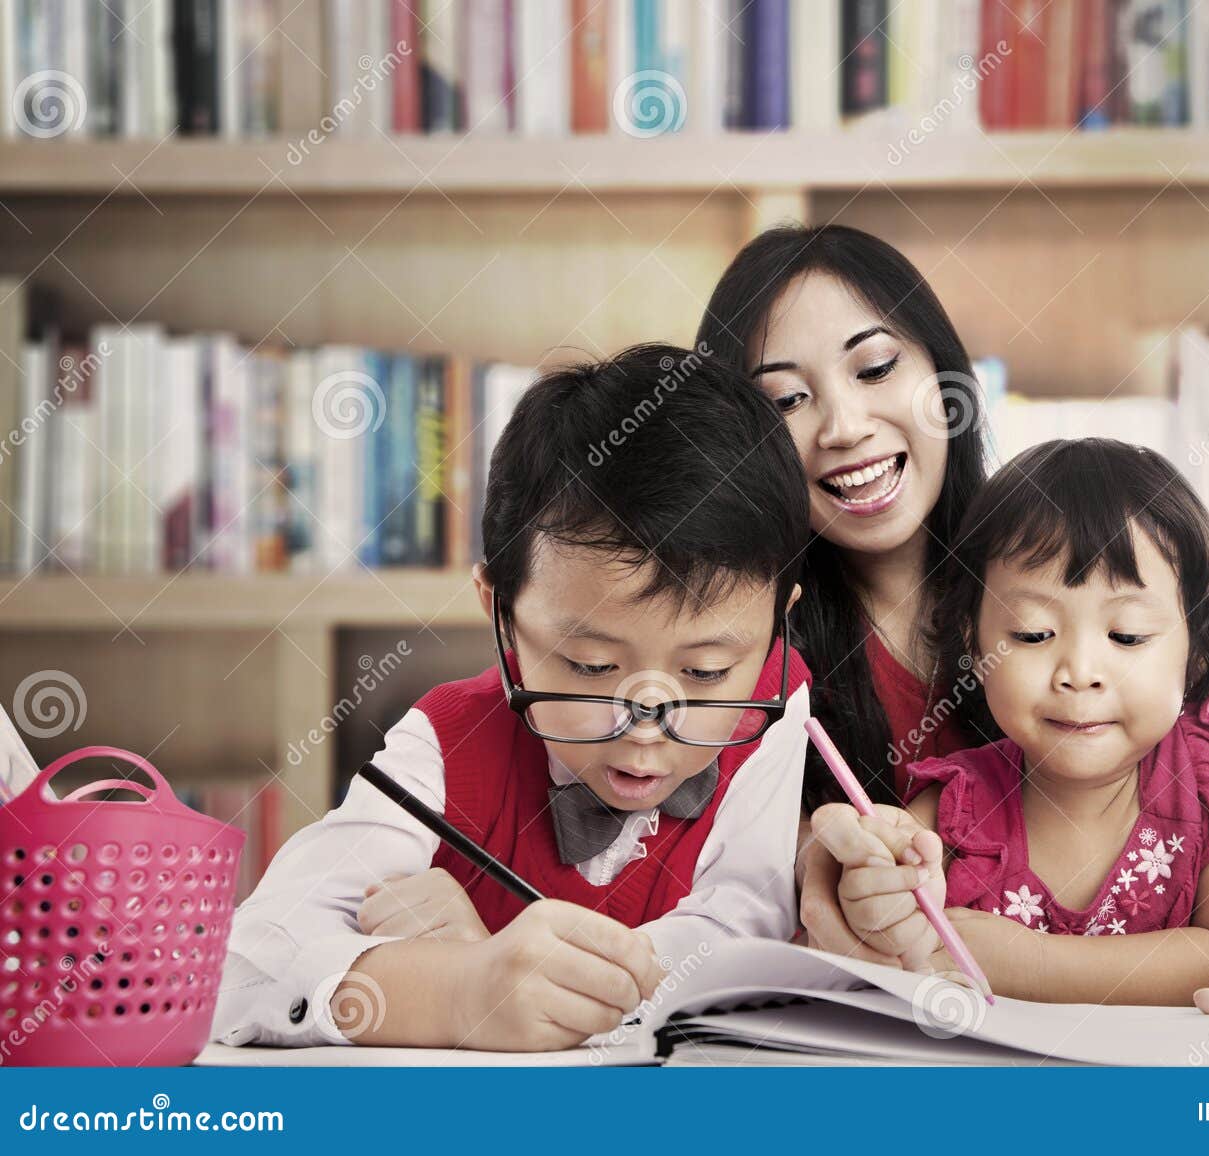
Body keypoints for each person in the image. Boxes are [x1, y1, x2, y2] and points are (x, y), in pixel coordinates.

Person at [695, 224, 1209, 1052]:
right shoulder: (746, 650)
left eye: (874, 367)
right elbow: (738, 862)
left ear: (943, 374)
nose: (844, 424)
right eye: (787, 399)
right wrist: (817, 869)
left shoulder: (1076, 545)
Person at [211, 344, 813, 1052]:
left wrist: (493, 955)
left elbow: (745, 933)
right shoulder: (446, 740)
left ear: (776, 623)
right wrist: (459, 990)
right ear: (499, 612)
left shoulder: (773, 705)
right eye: (591, 664)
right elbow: (244, 970)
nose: (649, 724)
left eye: (707, 671)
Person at [814, 439, 1209, 1004]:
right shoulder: (953, 810)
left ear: (1198, 651)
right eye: (1033, 634)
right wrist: (875, 901)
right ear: (972, 640)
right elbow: (890, 934)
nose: (1079, 673)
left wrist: (1036, 964)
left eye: (1127, 636)